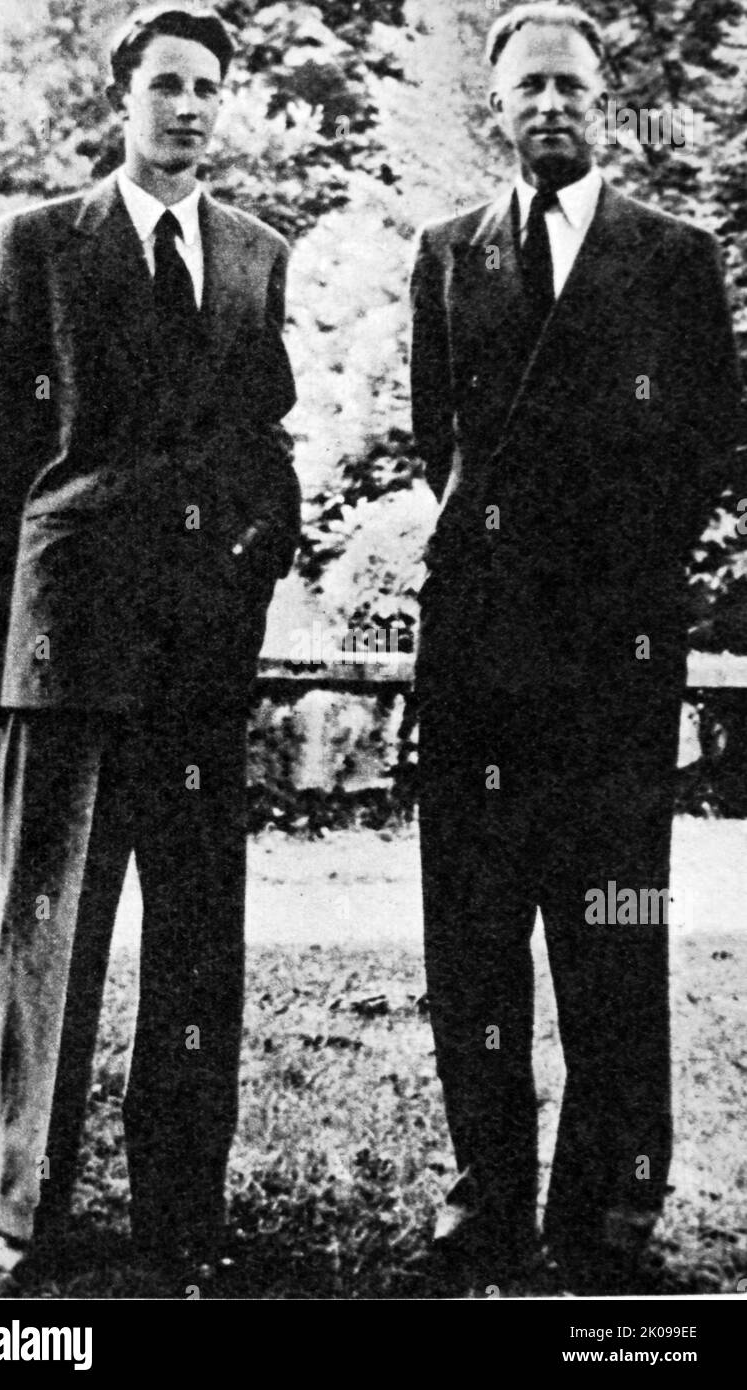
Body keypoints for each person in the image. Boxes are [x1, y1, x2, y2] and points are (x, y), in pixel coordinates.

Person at [0, 3, 300, 1294]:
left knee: (201, 935)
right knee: (52, 929)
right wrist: (10, 650)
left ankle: (180, 1207)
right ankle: (22, 1207)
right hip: (71, 648)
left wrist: (254, 562)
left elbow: (267, 443)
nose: (188, 106)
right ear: (124, 100)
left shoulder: (258, 253)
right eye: (165, 84)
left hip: (202, 655)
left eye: (208, 86)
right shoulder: (40, 243)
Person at [410, 1, 740, 1294]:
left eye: (569, 85)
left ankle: (608, 1209)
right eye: (526, 87)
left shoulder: (672, 255)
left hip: (610, 650)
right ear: (499, 107)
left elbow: (707, 439)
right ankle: (483, 1190)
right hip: (482, 649)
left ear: (603, 102)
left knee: (614, 920)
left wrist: (615, 573)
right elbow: (444, 441)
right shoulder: (447, 254)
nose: (548, 104)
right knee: (474, 931)